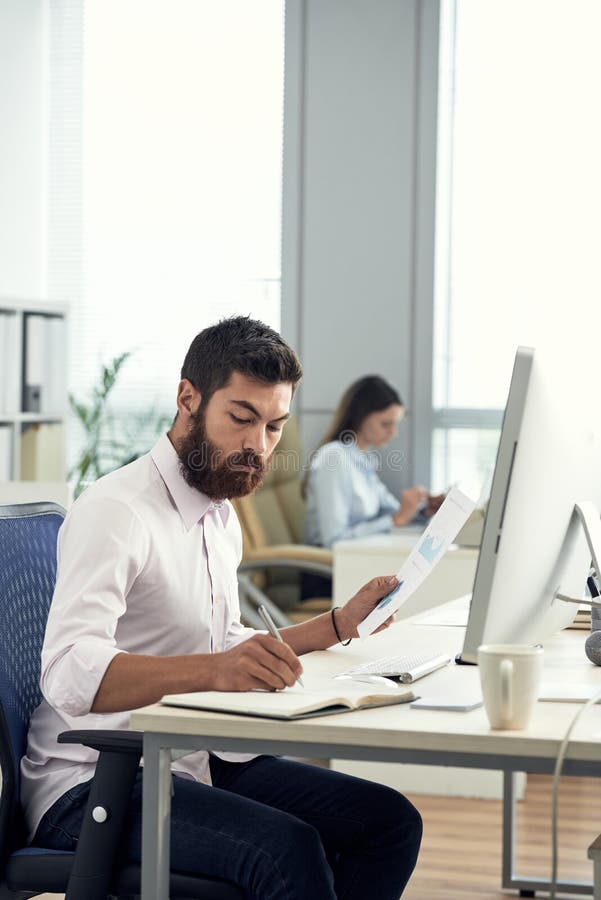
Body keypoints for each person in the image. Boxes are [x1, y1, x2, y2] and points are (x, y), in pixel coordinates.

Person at [21, 317, 422, 900]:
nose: (258, 445)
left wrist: (336, 625)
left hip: (188, 756)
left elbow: (224, 639)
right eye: (241, 418)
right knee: (288, 852)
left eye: (274, 426)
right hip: (92, 783)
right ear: (189, 399)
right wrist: (212, 671)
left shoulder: (217, 512)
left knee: (387, 823)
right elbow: (68, 672)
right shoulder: (118, 510)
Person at [304, 375, 444, 551]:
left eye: (395, 424)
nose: (393, 433)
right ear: (360, 417)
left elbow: (390, 510)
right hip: (329, 570)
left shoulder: (363, 459)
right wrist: (395, 520)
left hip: (357, 558)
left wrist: (421, 510)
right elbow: (335, 540)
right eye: (386, 424)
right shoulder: (334, 458)